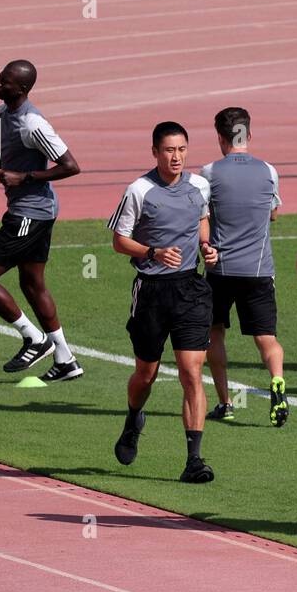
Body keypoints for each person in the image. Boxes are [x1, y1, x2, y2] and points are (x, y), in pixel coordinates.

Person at [108, 122, 219, 484]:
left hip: (190, 289)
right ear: (155, 152)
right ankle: (133, 419)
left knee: (191, 372)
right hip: (152, 292)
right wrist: (153, 252)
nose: (176, 157)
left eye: (182, 149)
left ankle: (194, 460)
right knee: (146, 373)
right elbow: (119, 240)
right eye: (169, 150)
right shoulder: (139, 190)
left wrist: (207, 247)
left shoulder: (199, 186)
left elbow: (202, 220)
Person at [0, 59, 83, 383]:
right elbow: (14, 161)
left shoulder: (33, 124)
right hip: (33, 210)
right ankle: (66, 359)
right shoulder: (3, 113)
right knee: (32, 284)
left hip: (30, 214)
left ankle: (34, 338)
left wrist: (26, 177)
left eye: (4, 81)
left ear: (21, 88)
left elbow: (71, 166)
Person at [200, 107, 288, 426]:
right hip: (258, 270)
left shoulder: (209, 172)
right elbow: (273, 213)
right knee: (266, 337)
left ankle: (225, 402)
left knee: (215, 333)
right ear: (248, 134)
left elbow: (202, 215)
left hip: (220, 270)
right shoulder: (268, 170)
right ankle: (277, 380)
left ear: (220, 137)